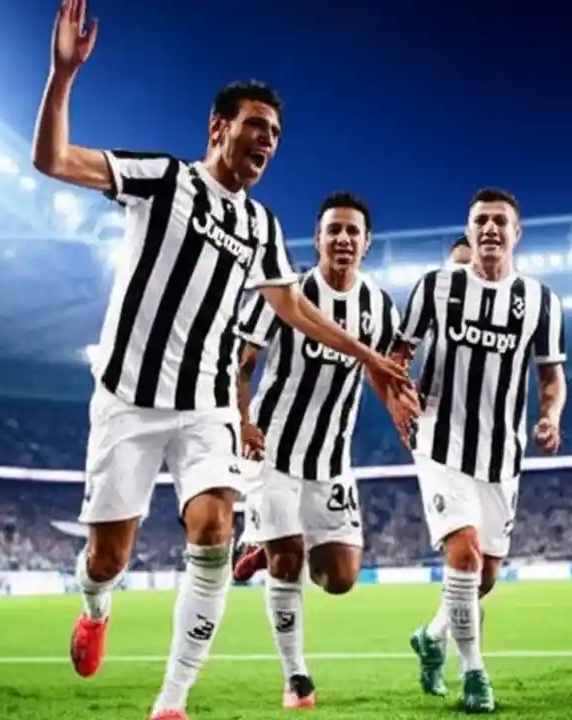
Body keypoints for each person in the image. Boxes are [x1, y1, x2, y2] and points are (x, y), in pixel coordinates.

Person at [31, 2, 416, 718]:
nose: (267, 142)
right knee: (107, 558)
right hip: (127, 400)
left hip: (207, 404)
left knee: (213, 528)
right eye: (255, 128)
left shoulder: (262, 226)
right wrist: (62, 76)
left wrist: (371, 356)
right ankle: (94, 605)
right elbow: (54, 159)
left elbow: (295, 309)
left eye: (275, 134)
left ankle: (171, 702)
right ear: (218, 128)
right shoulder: (163, 179)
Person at [389, 187, 568, 713]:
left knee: (484, 574)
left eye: (499, 221)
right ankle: (474, 675)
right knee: (462, 550)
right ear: (468, 231)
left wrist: (549, 416)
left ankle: (432, 634)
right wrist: (400, 401)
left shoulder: (541, 301)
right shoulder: (435, 288)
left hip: (503, 454)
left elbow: (552, 376)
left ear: (517, 233)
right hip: (441, 441)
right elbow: (398, 357)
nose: (490, 229)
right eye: (480, 221)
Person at [228, 191, 402, 709]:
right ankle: (296, 676)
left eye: (353, 231)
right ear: (319, 238)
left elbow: (378, 369)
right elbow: (242, 363)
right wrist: (242, 420)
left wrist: (399, 408)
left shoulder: (379, 306)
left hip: (332, 461)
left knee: (340, 578)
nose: (344, 239)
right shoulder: (284, 292)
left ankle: (263, 542)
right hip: (272, 450)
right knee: (289, 561)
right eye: (334, 230)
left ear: (367, 243)